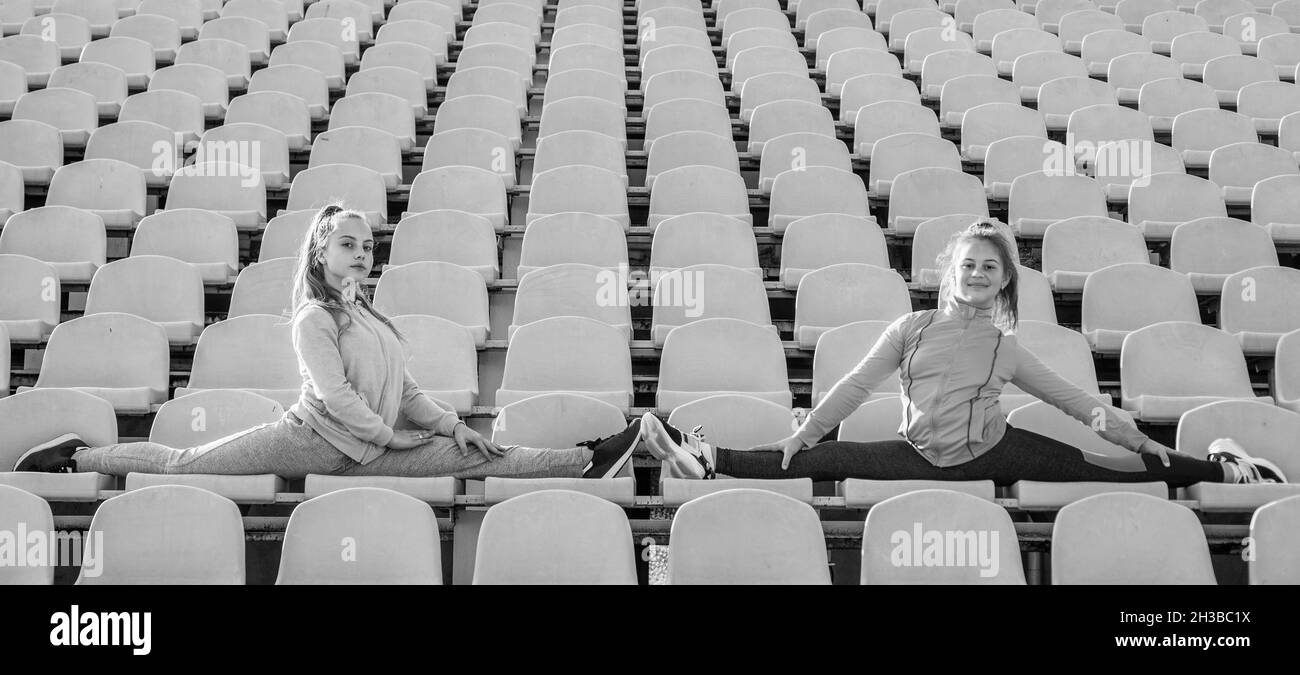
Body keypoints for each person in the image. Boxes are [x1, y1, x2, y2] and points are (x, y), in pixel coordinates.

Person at [14, 205, 642, 480]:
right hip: (310, 439)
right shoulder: (312, 317)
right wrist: (390, 436)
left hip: (368, 447)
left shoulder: (366, 312)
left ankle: (587, 457)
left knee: (479, 454)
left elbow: (409, 390)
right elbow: (336, 397)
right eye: (348, 243)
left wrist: (451, 424)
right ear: (321, 248)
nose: (361, 252)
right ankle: (78, 459)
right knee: (186, 465)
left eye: (368, 245)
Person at [642, 220, 1286, 486]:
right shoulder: (910, 327)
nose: (978, 273)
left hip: (993, 451)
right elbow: (856, 386)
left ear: (1004, 281)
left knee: (1112, 469)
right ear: (950, 272)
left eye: (990, 268)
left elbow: (1076, 403)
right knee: (821, 455)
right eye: (968, 264)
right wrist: (804, 430)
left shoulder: (1005, 348)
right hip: (921, 454)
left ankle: (1227, 470)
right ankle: (707, 457)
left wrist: (1137, 437)